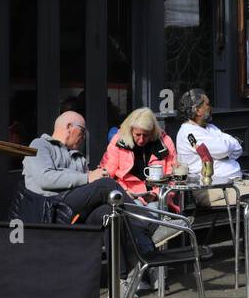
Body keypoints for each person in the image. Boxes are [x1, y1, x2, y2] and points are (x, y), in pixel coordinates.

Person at [19, 111, 155, 271]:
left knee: (110, 214)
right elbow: (45, 178)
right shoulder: (40, 145)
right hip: (50, 207)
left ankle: (121, 279)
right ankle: (152, 226)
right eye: (82, 131)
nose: (84, 137)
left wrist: (120, 195)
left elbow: (87, 191)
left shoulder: (78, 157)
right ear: (69, 127)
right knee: (105, 185)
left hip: (74, 210)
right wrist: (88, 177)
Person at [175, 89, 249, 251]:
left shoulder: (211, 128)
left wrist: (224, 149)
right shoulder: (188, 132)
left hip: (236, 183)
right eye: (207, 104)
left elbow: (237, 147)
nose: (210, 107)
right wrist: (224, 149)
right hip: (212, 189)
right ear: (197, 110)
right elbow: (222, 147)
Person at [100, 107, 179, 206]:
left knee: (153, 208)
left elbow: (172, 177)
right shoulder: (118, 141)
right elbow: (106, 175)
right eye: (137, 134)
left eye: (146, 135)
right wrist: (123, 192)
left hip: (158, 197)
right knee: (138, 207)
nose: (141, 139)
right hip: (127, 194)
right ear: (130, 130)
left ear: (152, 131)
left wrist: (156, 194)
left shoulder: (165, 142)